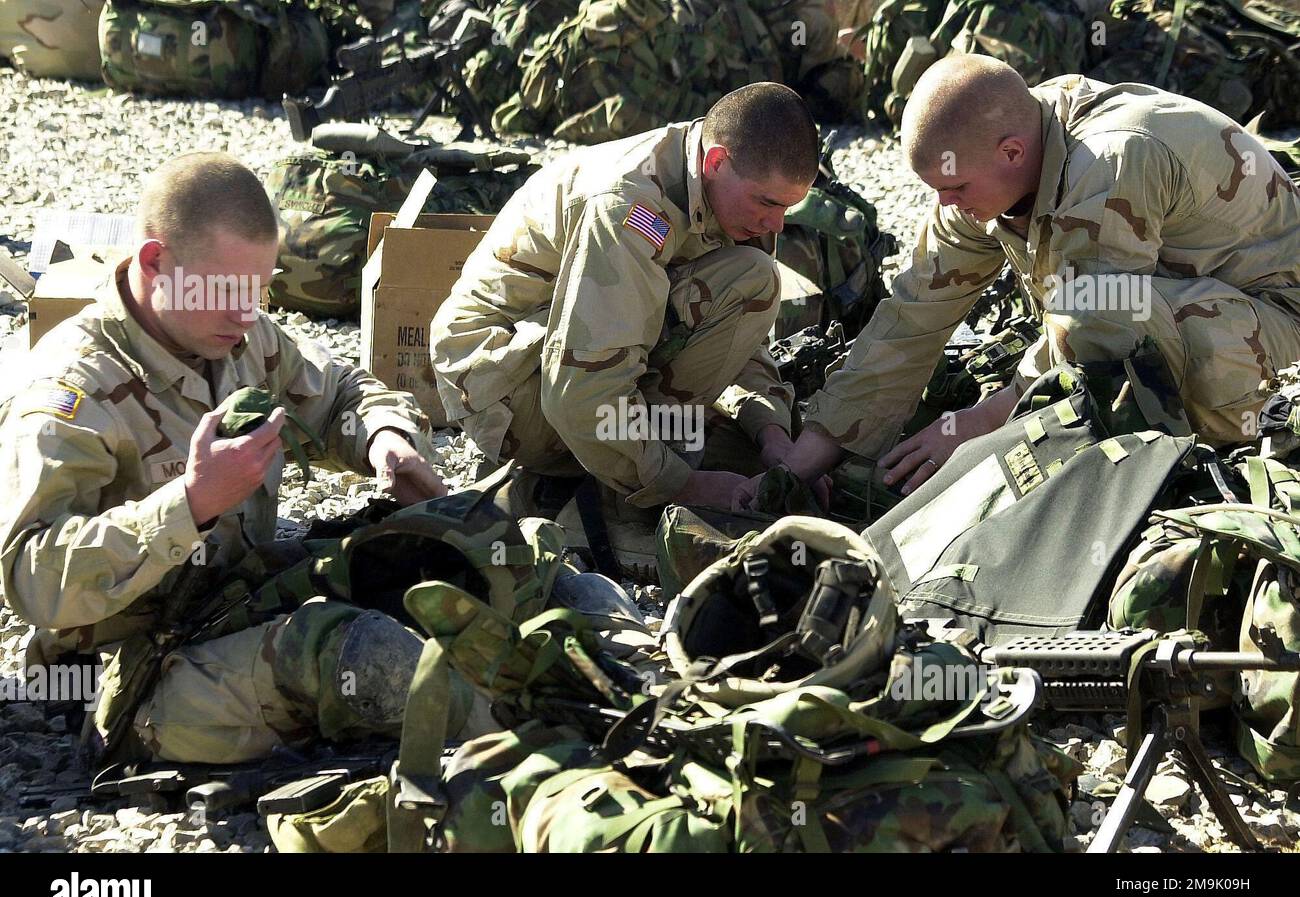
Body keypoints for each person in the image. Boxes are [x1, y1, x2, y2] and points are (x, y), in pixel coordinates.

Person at [0, 153, 492, 765]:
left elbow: (339, 387)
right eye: (230, 291)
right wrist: (190, 504)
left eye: (259, 291)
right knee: (356, 655)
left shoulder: (228, 327)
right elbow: (32, 579)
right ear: (156, 264)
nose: (247, 313)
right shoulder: (72, 392)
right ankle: (539, 734)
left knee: (438, 558)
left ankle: (570, 676)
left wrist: (383, 440)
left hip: (236, 595)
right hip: (139, 675)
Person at [736, 54, 1300, 507]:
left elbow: (1098, 321)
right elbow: (914, 313)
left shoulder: (1108, 163)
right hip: (1164, 303)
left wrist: (980, 422)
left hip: (1277, 335)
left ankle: (1168, 471)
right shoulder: (999, 147)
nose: (945, 205)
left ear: (1012, 153)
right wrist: (816, 447)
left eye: (954, 189)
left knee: (1085, 327)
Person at [431, 82, 818, 512]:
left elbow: (744, 337)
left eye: (788, 208)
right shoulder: (629, 207)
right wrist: (681, 486)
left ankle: (639, 454)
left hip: (570, 366)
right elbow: (579, 392)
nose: (776, 225)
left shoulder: (739, 203)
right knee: (708, 467)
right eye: (768, 203)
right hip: (509, 392)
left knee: (754, 280)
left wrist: (772, 434)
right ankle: (614, 495)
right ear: (715, 162)